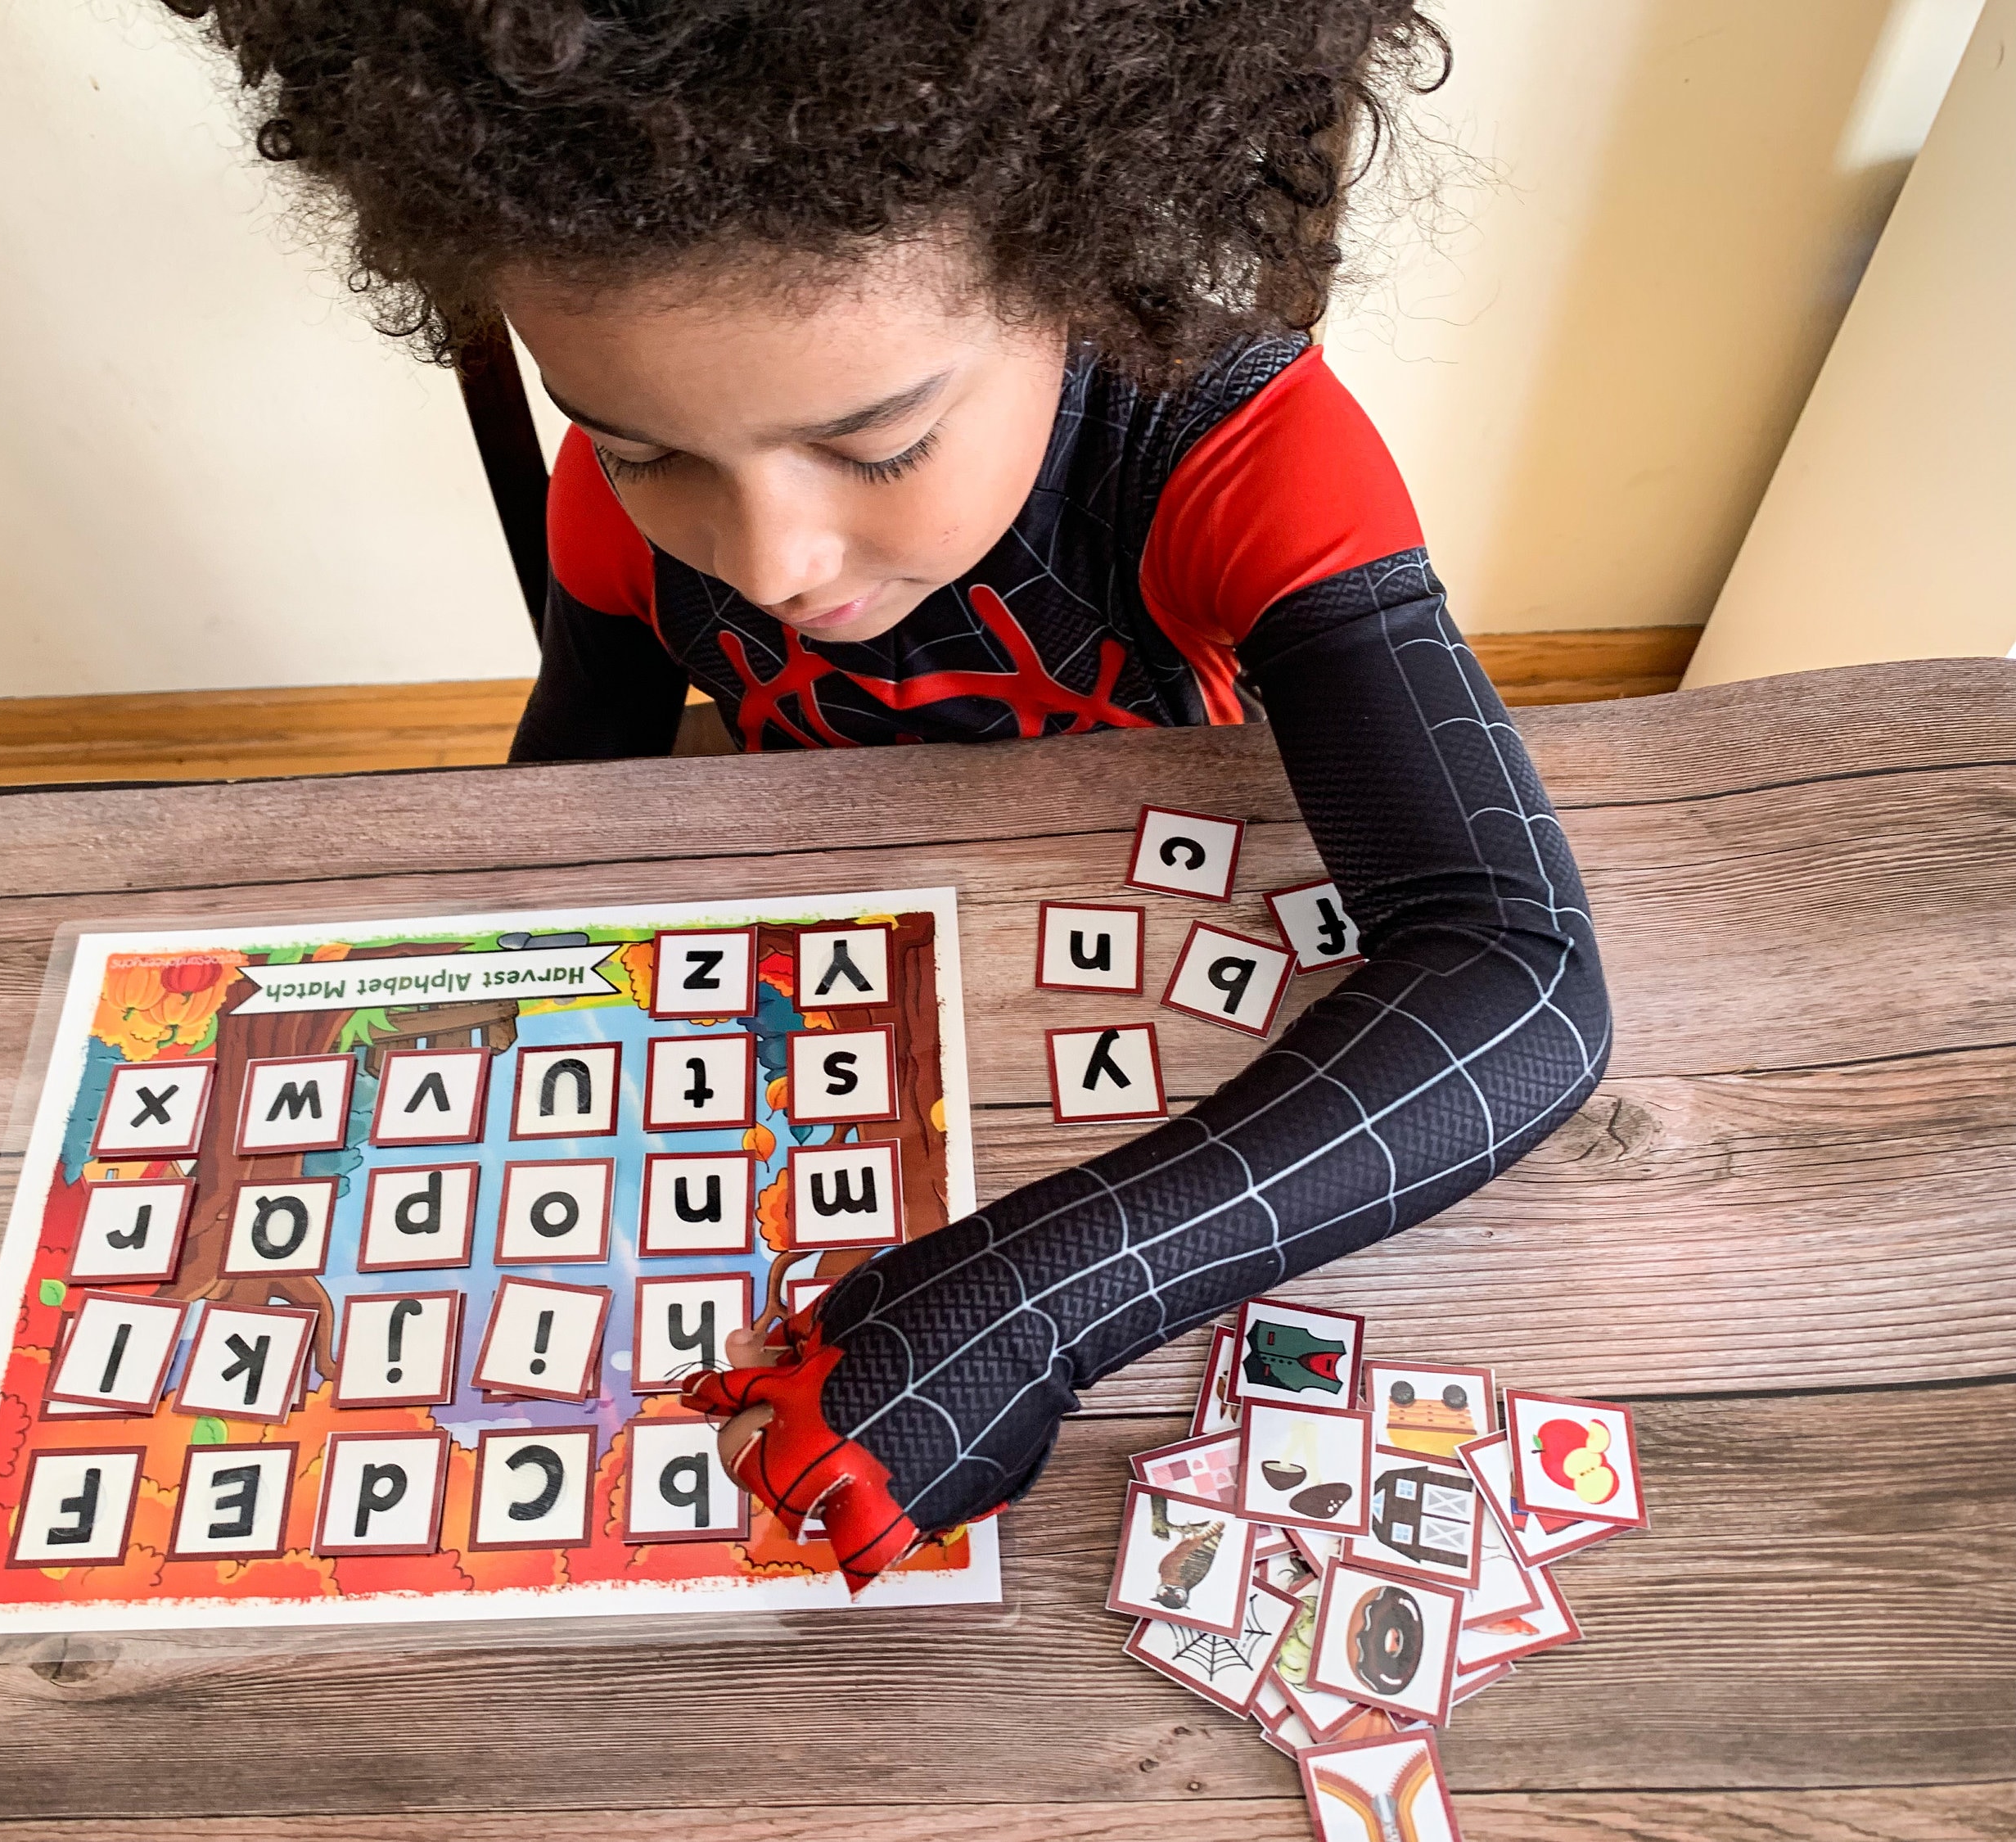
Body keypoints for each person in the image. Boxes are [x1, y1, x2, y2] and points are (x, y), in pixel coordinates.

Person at [161, 0, 1612, 1587]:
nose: (769, 560)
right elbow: (562, 816)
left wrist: (1037, 1300)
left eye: (880, 442)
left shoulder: (1237, 438)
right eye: (645, 450)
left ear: (1088, 250)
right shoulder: (606, 510)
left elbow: (1522, 973)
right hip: (825, 1043)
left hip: (1144, 1072)